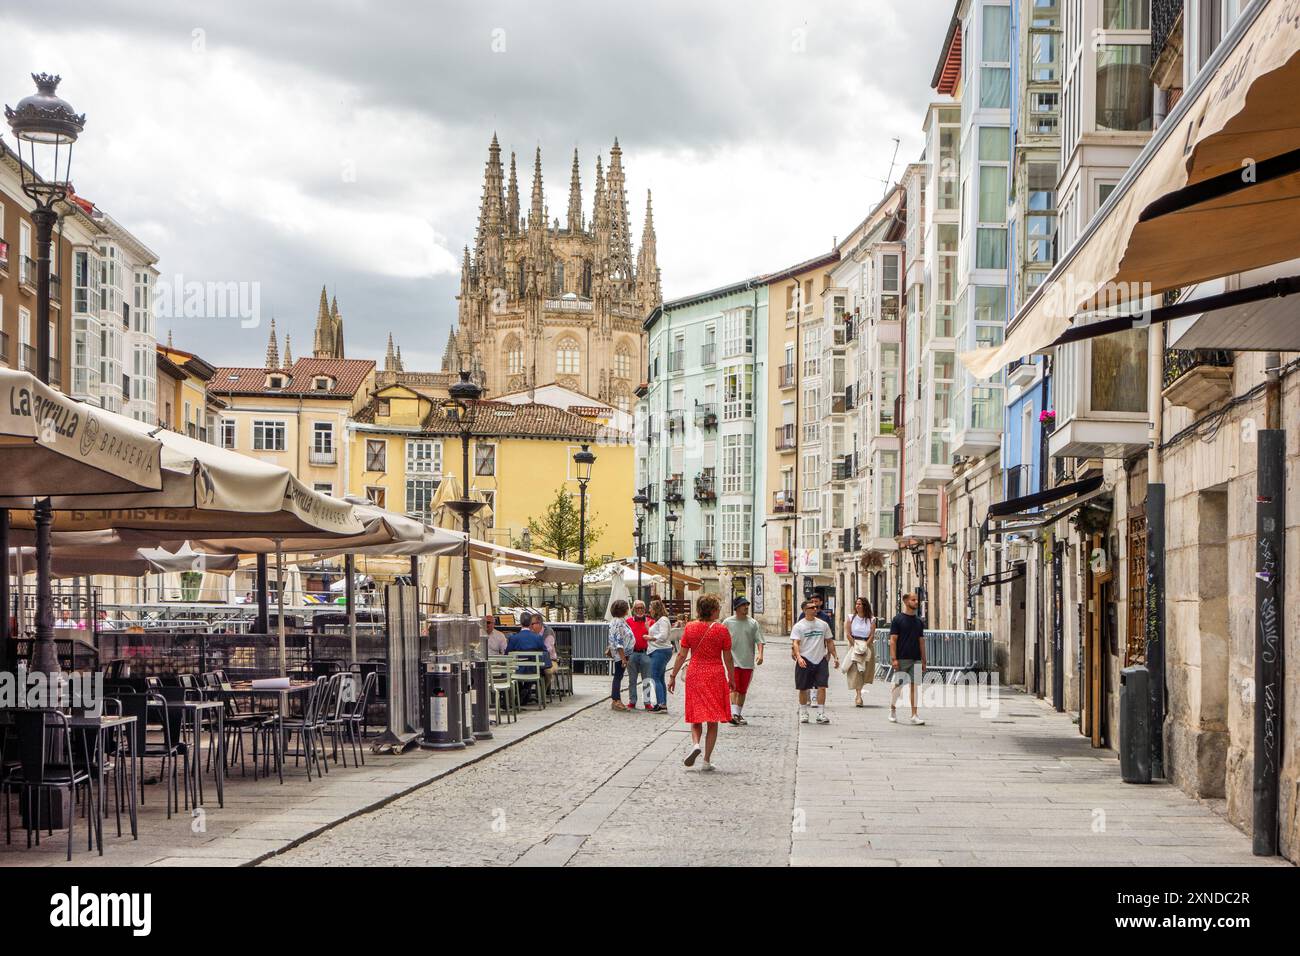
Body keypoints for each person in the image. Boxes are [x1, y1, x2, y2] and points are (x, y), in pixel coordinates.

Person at [668, 593, 735, 771]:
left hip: (695, 673)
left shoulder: (690, 628)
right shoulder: (722, 630)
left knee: (696, 715)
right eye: (718, 608)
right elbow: (728, 658)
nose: (719, 611)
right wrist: (732, 678)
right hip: (715, 674)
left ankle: (695, 744)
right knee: (712, 720)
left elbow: (682, 654)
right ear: (713, 611)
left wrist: (673, 676)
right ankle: (706, 760)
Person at [791, 598, 837, 724]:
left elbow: (829, 641)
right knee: (803, 688)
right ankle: (804, 712)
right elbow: (795, 643)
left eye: (815, 607)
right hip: (805, 658)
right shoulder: (799, 626)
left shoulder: (823, 624)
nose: (815, 609)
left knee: (822, 686)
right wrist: (799, 657)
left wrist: (835, 656)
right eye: (811, 608)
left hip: (820, 658)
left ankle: (821, 714)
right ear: (805, 610)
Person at [888, 592, 927, 725]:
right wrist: (894, 658)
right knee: (898, 686)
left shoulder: (919, 622)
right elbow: (893, 640)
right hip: (901, 658)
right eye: (913, 600)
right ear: (905, 601)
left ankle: (914, 714)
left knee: (914, 686)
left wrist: (923, 660)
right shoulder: (897, 619)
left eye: (917, 599)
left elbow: (921, 641)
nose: (916, 602)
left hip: (915, 658)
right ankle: (892, 709)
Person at [723, 596, 763, 725]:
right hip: (732, 660)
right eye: (743, 605)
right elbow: (720, 638)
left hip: (747, 661)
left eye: (747, 605)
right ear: (736, 608)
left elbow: (759, 640)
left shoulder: (753, 623)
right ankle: (734, 713)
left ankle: (738, 713)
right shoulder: (728, 622)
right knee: (733, 687)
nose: (746, 607)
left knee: (743, 690)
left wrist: (761, 654)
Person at [507, 615, 554, 702]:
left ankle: (521, 692)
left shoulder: (513, 638)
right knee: (534, 669)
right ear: (530, 624)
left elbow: (507, 654)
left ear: (521, 623)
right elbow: (545, 653)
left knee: (514, 672)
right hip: (534, 670)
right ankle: (526, 689)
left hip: (517, 671)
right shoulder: (537, 638)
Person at [842, 597, 876, 707]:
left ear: (865, 606)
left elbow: (872, 634)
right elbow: (848, 634)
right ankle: (858, 696)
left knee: (864, 671)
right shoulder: (851, 618)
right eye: (856, 604)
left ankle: (860, 690)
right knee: (855, 671)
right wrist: (856, 645)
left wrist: (865, 645)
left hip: (867, 646)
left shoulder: (871, 619)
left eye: (860, 604)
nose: (858, 606)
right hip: (854, 645)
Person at [645, 599, 674, 712]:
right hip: (659, 650)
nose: (649, 610)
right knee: (660, 678)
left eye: (651, 608)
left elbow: (663, 636)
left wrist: (650, 638)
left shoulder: (663, 620)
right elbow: (659, 633)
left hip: (660, 651)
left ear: (656, 609)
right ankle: (661, 703)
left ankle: (662, 704)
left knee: (655, 677)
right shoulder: (660, 620)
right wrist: (649, 629)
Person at [607, 599, 635, 711]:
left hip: (622, 653)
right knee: (618, 677)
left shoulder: (617, 621)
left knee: (618, 676)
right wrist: (623, 658)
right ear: (624, 610)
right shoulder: (618, 622)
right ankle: (616, 700)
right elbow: (619, 641)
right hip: (621, 654)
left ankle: (616, 699)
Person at [625, 600, 653, 710]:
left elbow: (656, 636)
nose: (640, 610)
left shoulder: (650, 621)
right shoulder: (628, 622)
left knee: (646, 679)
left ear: (644, 609)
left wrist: (648, 628)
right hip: (632, 653)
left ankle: (647, 702)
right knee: (632, 679)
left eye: (641, 608)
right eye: (637, 608)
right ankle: (632, 701)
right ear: (633, 609)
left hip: (646, 653)